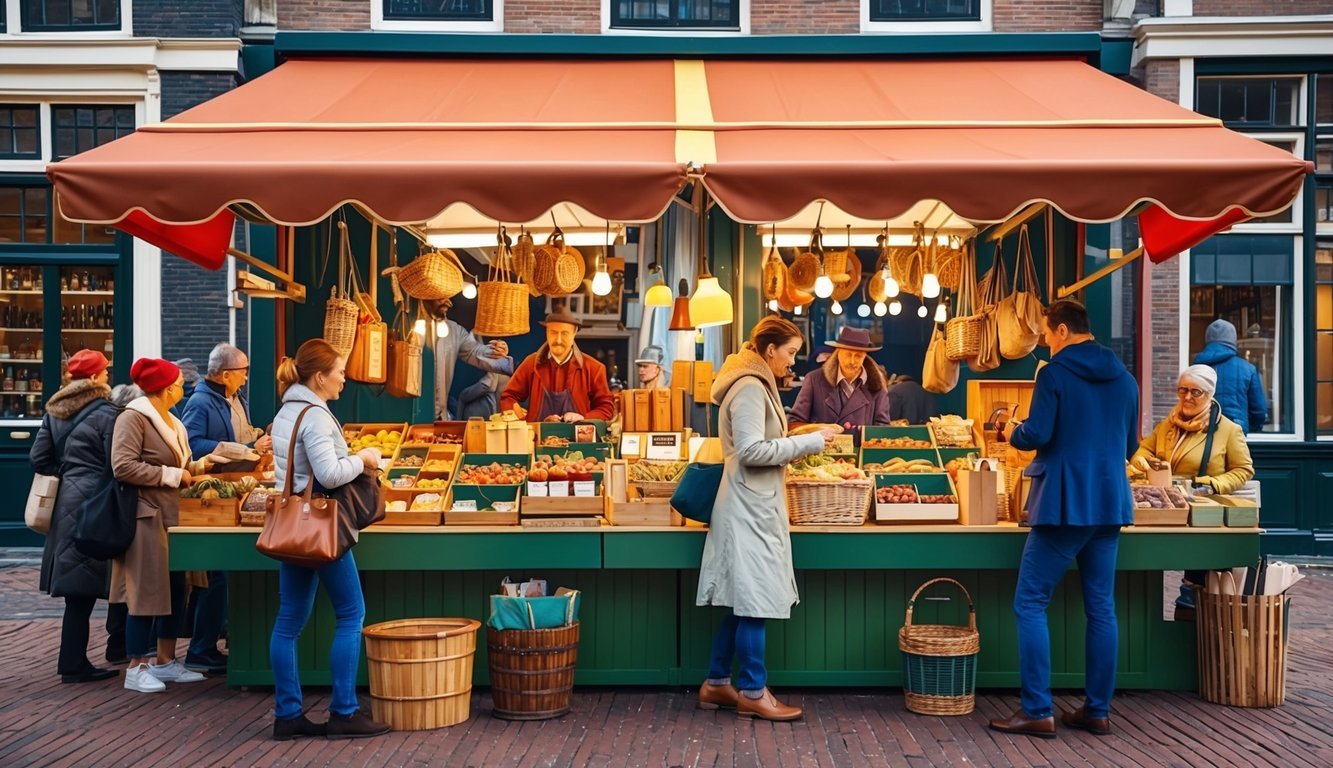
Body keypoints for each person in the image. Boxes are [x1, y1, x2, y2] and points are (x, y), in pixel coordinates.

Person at [988, 300, 1138, 739]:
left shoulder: (1053, 374)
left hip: (1064, 503)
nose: (1047, 343)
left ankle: (1036, 709)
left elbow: (1038, 434)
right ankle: (1097, 710)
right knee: (1101, 609)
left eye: (1048, 335)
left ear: (1063, 330)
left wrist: (1011, 429)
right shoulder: (1126, 379)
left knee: (1030, 602)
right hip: (1110, 503)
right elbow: (1130, 447)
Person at [696, 316, 840, 722]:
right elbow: (751, 451)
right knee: (755, 601)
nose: (792, 361)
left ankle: (716, 683)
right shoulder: (748, 388)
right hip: (748, 509)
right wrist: (808, 442)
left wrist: (805, 436)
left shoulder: (754, 385)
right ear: (768, 349)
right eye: (790, 352)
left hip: (751, 504)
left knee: (742, 603)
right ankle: (754, 692)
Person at [268, 339, 390, 741]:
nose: (344, 378)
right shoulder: (316, 416)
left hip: (293, 526)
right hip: (323, 527)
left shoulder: (288, 410)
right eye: (339, 371)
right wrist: (366, 457)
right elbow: (331, 474)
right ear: (320, 376)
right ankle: (344, 712)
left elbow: (289, 472)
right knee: (352, 614)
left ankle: (287, 715)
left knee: (288, 622)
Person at [111, 358, 214, 694]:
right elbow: (122, 466)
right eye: (179, 383)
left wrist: (202, 465)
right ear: (167, 388)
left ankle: (165, 661)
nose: (183, 387)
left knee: (175, 587)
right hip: (146, 517)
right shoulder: (134, 418)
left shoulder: (172, 420)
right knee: (145, 591)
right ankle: (135, 666)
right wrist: (172, 475)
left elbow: (181, 465)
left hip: (173, 516)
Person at [179, 343, 273, 674]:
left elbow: (241, 432)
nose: (246, 378)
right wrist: (246, 448)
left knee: (223, 574)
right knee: (216, 574)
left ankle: (215, 641)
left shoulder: (236, 398)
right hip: (214, 497)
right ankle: (201, 648)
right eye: (243, 372)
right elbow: (192, 444)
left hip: (237, 489)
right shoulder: (201, 401)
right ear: (225, 374)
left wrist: (258, 439)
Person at [1131, 364, 1253, 613]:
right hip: (1164, 509)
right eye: (1182, 390)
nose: (1187, 397)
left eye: (1195, 392)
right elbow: (1145, 449)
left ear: (1209, 394)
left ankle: (1191, 632)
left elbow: (1244, 470)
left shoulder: (1229, 430)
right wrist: (1141, 460)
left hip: (1201, 514)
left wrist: (1213, 484)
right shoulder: (1168, 425)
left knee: (1194, 587)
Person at [30, 350, 120, 684]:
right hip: (95, 502)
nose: (108, 376)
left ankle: (74, 660)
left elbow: (38, 458)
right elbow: (116, 461)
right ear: (95, 378)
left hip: (65, 501)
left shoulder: (54, 410)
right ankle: (74, 664)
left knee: (76, 591)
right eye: (105, 372)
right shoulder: (108, 413)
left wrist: (67, 471)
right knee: (83, 588)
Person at [501, 303, 616, 423]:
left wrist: (583, 418)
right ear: (546, 332)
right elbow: (508, 397)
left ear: (574, 333)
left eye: (564, 333)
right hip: (536, 438)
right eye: (553, 333)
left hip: (578, 439)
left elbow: (606, 408)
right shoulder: (531, 364)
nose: (558, 340)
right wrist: (519, 417)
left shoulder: (593, 368)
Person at [423, 296, 514, 420]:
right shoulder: (411, 326)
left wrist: (496, 350)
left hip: (439, 416)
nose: (448, 302)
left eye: (448, 296)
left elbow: (475, 351)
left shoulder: (454, 330)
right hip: (412, 413)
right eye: (440, 297)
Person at [788, 327, 890, 432]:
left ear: (865, 356)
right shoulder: (814, 379)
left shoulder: (877, 385)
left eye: (858, 356)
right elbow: (795, 422)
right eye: (848, 354)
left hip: (860, 448)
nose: (852, 361)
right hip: (822, 447)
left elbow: (882, 430)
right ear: (838, 353)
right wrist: (820, 431)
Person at [1194, 319, 1268, 434]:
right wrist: (1252, 427)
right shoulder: (1248, 369)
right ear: (1233, 341)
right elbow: (1259, 411)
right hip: (1236, 431)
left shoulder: (1196, 368)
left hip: (1202, 431)